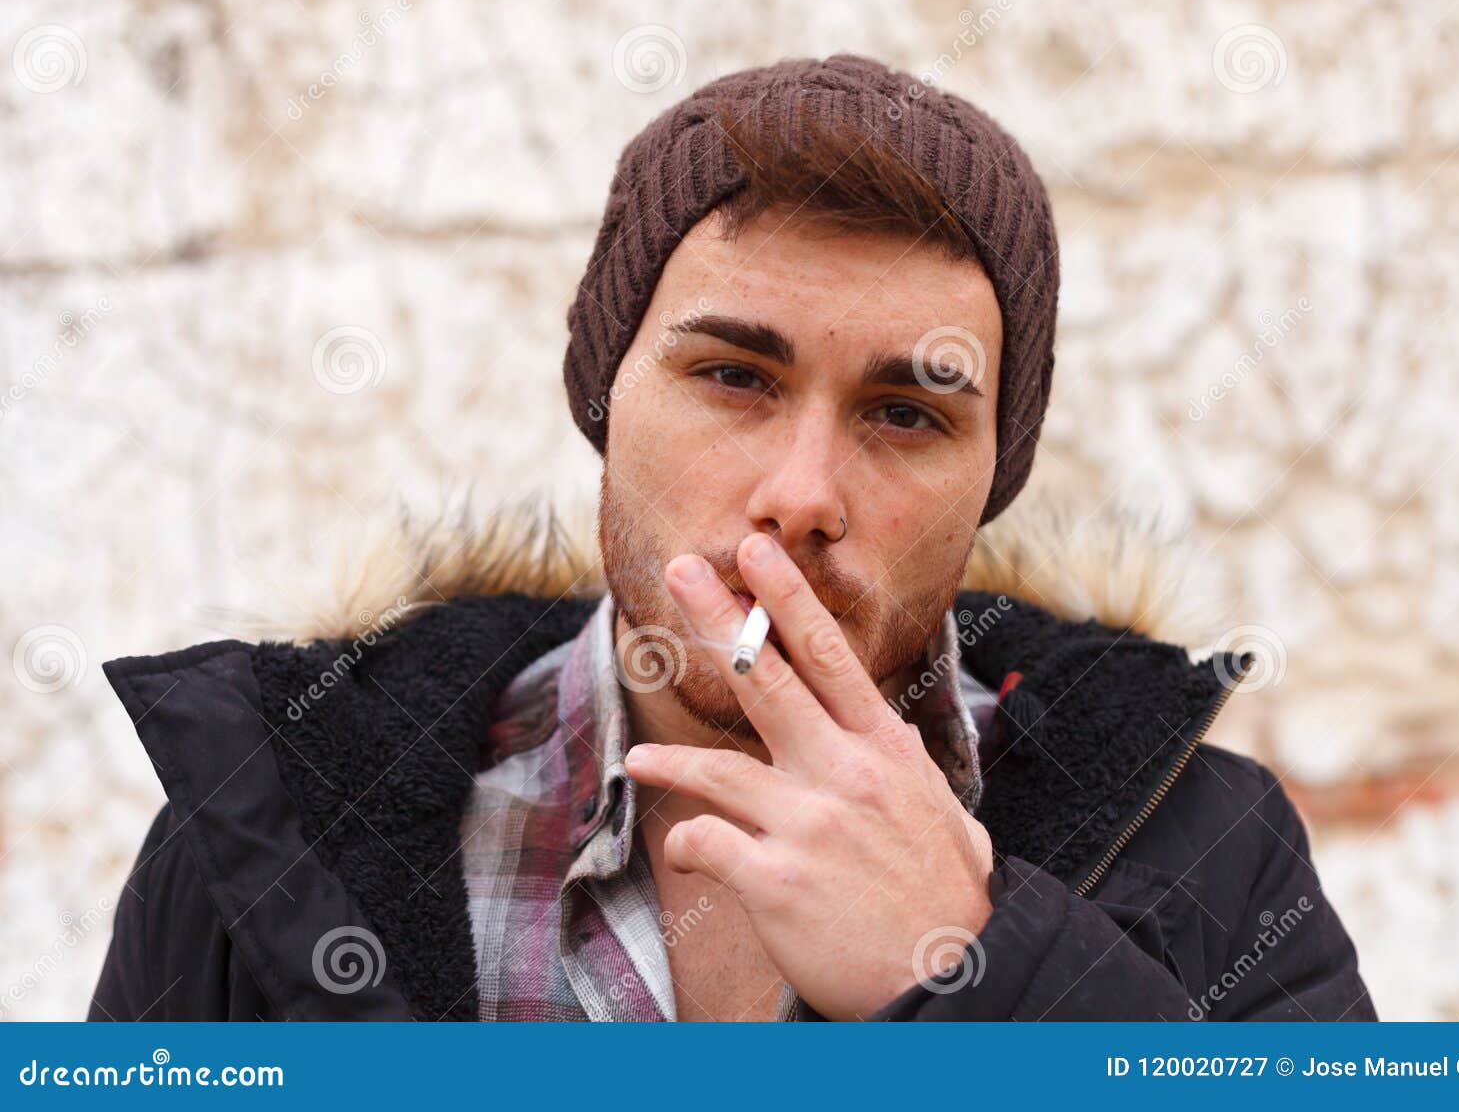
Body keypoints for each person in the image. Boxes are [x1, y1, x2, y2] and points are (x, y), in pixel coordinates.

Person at [90, 53, 1374, 1022]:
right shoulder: (269, 823)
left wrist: (979, 963)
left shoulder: (1209, 847)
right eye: (734, 380)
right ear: (607, 399)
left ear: (990, 479)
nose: (802, 492)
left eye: (906, 412)